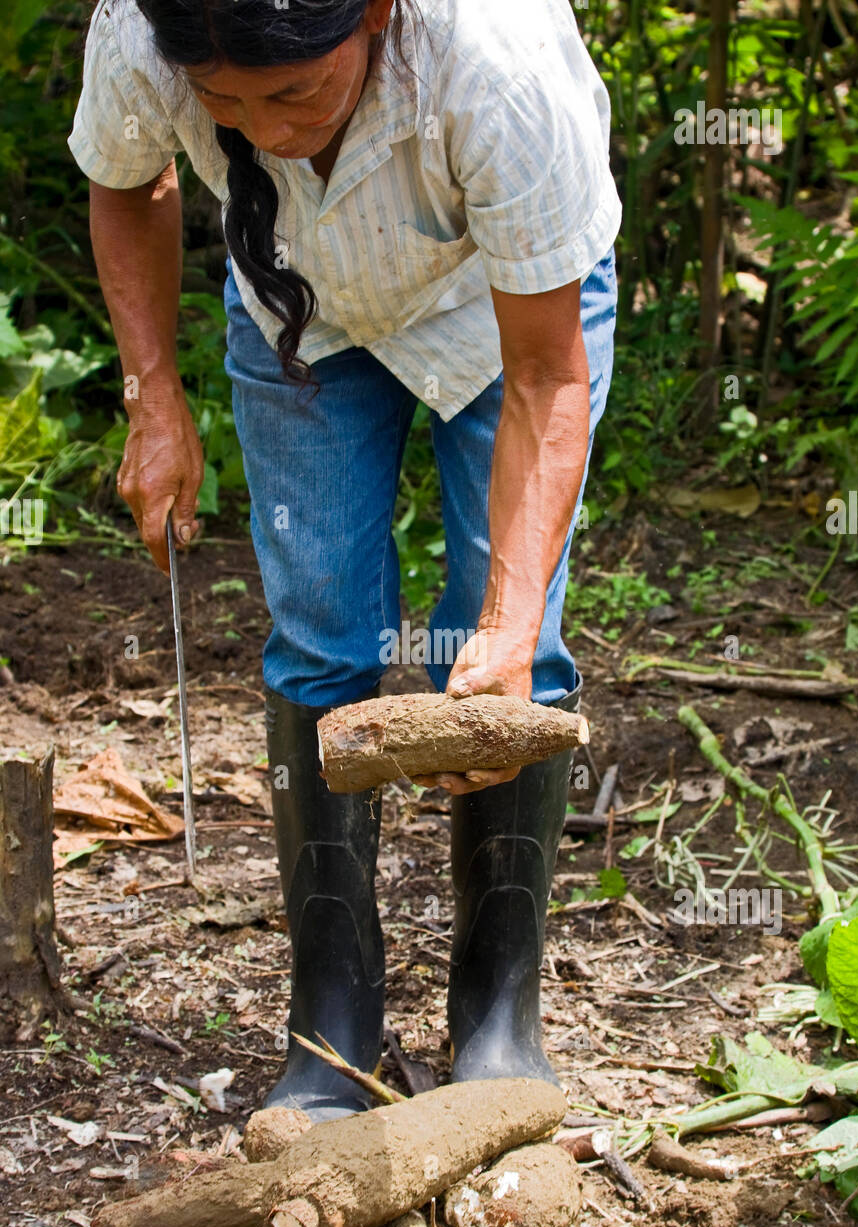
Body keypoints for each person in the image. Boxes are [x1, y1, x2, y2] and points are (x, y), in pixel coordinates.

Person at [69, 0, 620, 1119]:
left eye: (292, 94)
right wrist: (150, 393)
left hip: (501, 311)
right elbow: (129, 181)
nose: (257, 131)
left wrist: (506, 632)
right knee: (319, 635)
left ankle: (497, 1016)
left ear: (374, 17)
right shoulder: (138, 29)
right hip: (297, 310)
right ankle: (331, 1024)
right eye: (220, 103)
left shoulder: (495, 70)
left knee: (506, 640)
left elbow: (545, 380)